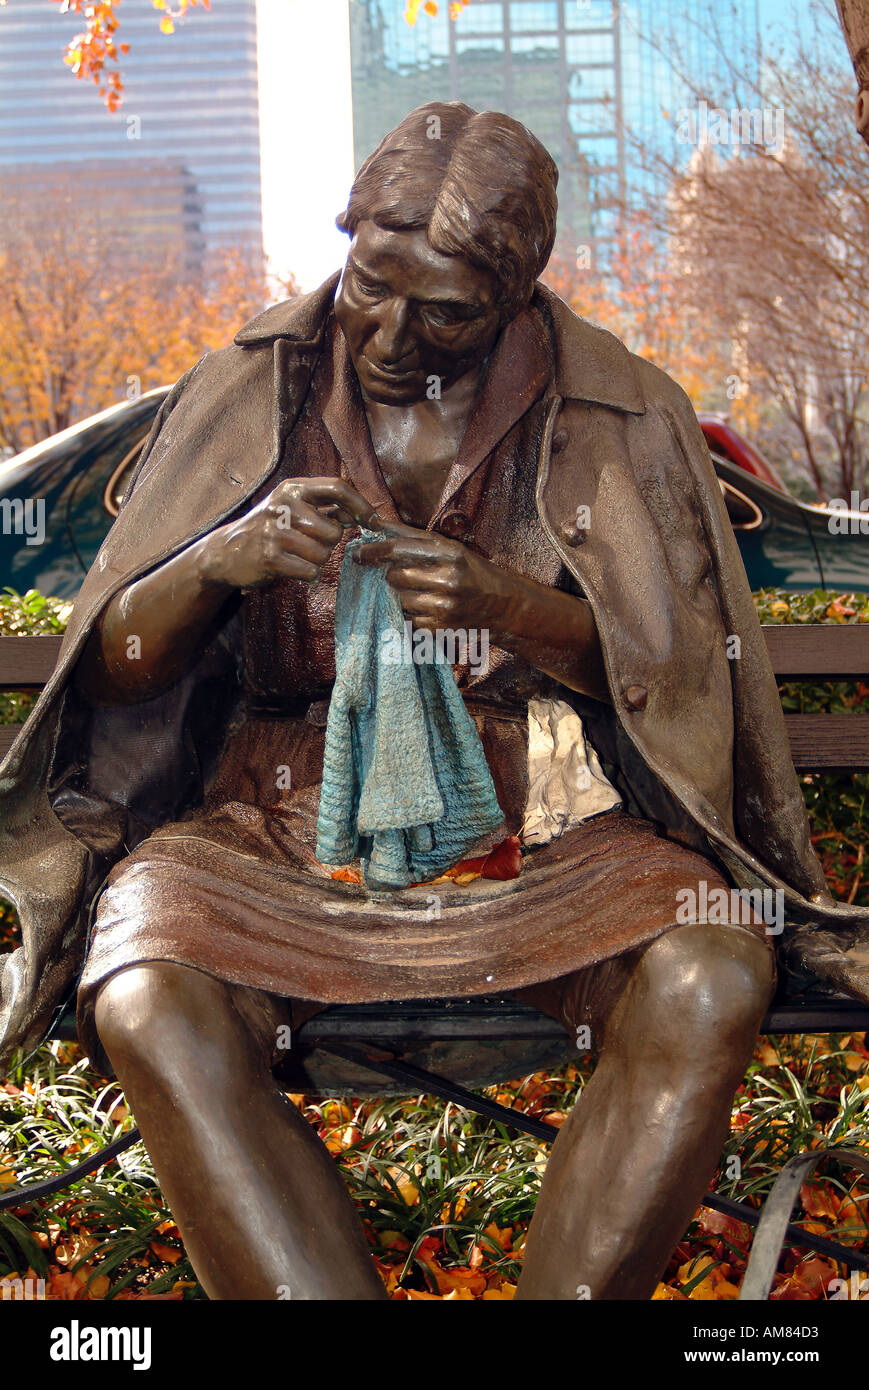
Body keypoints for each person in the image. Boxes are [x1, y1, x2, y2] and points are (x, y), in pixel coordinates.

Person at [1, 102, 865, 1300]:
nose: (392, 337)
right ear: (346, 240)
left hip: (541, 834)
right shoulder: (248, 389)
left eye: (446, 311)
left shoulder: (613, 408)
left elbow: (670, 669)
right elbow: (116, 670)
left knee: (713, 970)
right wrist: (217, 563)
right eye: (372, 285)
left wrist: (507, 604)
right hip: (273, 832)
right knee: (148, 989)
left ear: (515, 296)